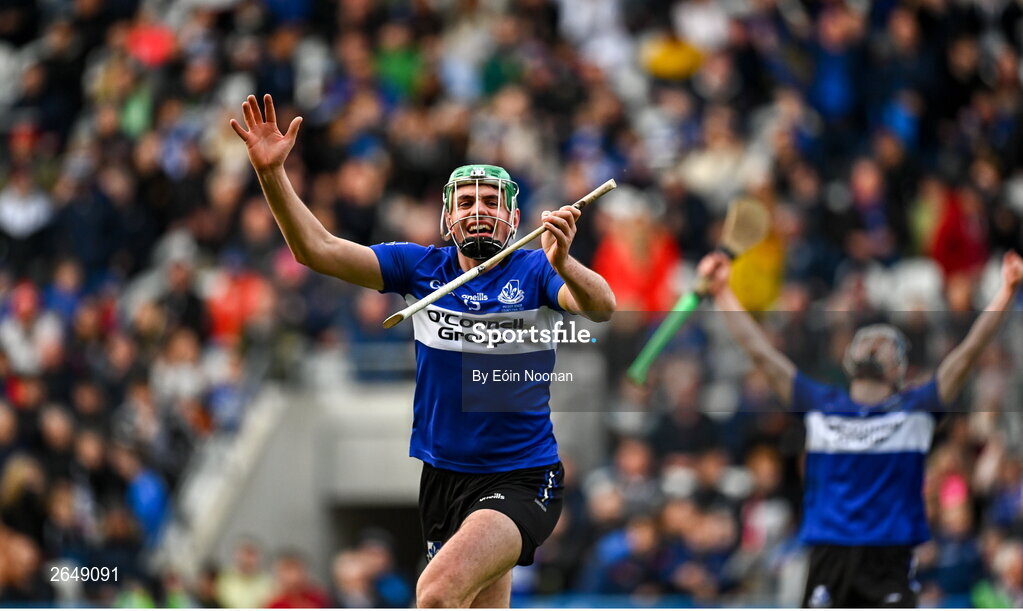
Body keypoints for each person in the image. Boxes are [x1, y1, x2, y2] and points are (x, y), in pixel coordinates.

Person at [230, 94, 616, 607]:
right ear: (447, 215)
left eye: (490, 202)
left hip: (522, 476)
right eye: (467, 202)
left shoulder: (537, 271)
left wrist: (565, 262)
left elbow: (602, 305)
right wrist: (272, 175)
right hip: (442, 477)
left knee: (434, 593)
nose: (478, 211)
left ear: (514, 215)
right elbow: (315, 249)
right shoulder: (419, 268)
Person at [694, 249, 1023, 608]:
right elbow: (760, 353)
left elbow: (971, 350)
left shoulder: (916, 408)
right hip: (829, 558)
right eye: (867, 339)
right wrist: (724, 292)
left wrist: (1006, 291)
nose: (875, 343)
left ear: (899, 369)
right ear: (848, 359)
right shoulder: (819, 403)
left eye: (885, 343)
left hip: (889, 560)